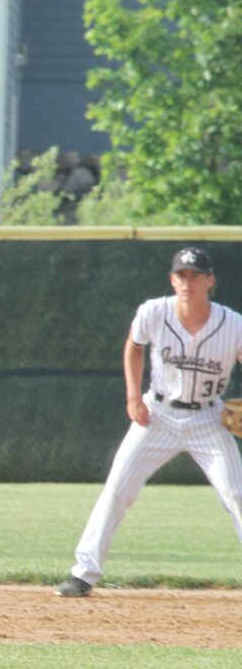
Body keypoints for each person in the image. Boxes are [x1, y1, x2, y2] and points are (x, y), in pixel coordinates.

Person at [55, 247, 242, 597]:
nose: (188, 282)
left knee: (237, 493)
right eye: (181, 276)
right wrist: (131, 397)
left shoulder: (233, 324)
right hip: (158, 414)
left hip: (208, 418)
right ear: (172, 280)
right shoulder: (153, 312)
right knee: (118, 488)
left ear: (210, 281)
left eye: (195, 275)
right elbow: (134, 346)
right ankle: (83, 574)